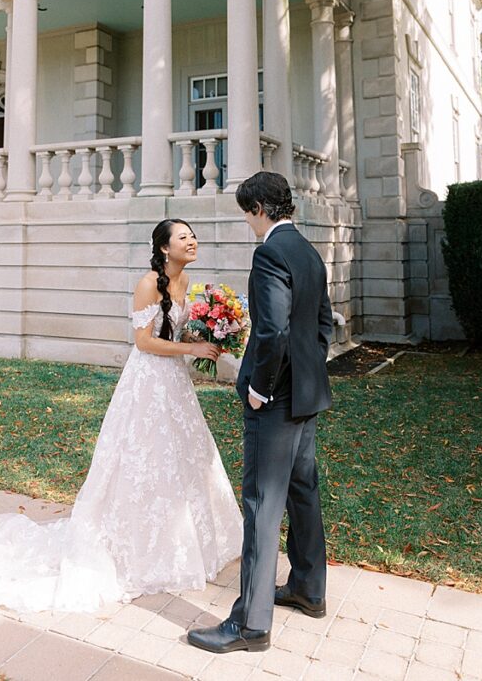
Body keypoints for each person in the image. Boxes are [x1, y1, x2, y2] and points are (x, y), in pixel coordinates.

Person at [0, 218, 241, 613]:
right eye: (183, 237)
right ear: (165, 248)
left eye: (193, 236)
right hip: (148, 382)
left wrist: (206, 338)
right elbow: (145, 342)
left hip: (175, 386)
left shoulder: (186, 284)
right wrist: (191, 352)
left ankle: (187, 539)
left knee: (184, 457)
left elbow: (176, 333)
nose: (192, 241)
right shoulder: (149, 283)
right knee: (144, 457)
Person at [189, 171, 335, 655]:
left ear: (259, 209)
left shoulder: (270, 252)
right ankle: (309, 590)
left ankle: (250, 625)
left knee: (261, 504)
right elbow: (322, 326)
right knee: (302, 491)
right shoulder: (309, 252)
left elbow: (271, 332)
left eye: (246, 214)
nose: (248, 224)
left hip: (275, 400)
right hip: (308, 394)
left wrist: (260, 388)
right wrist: (308, 374)